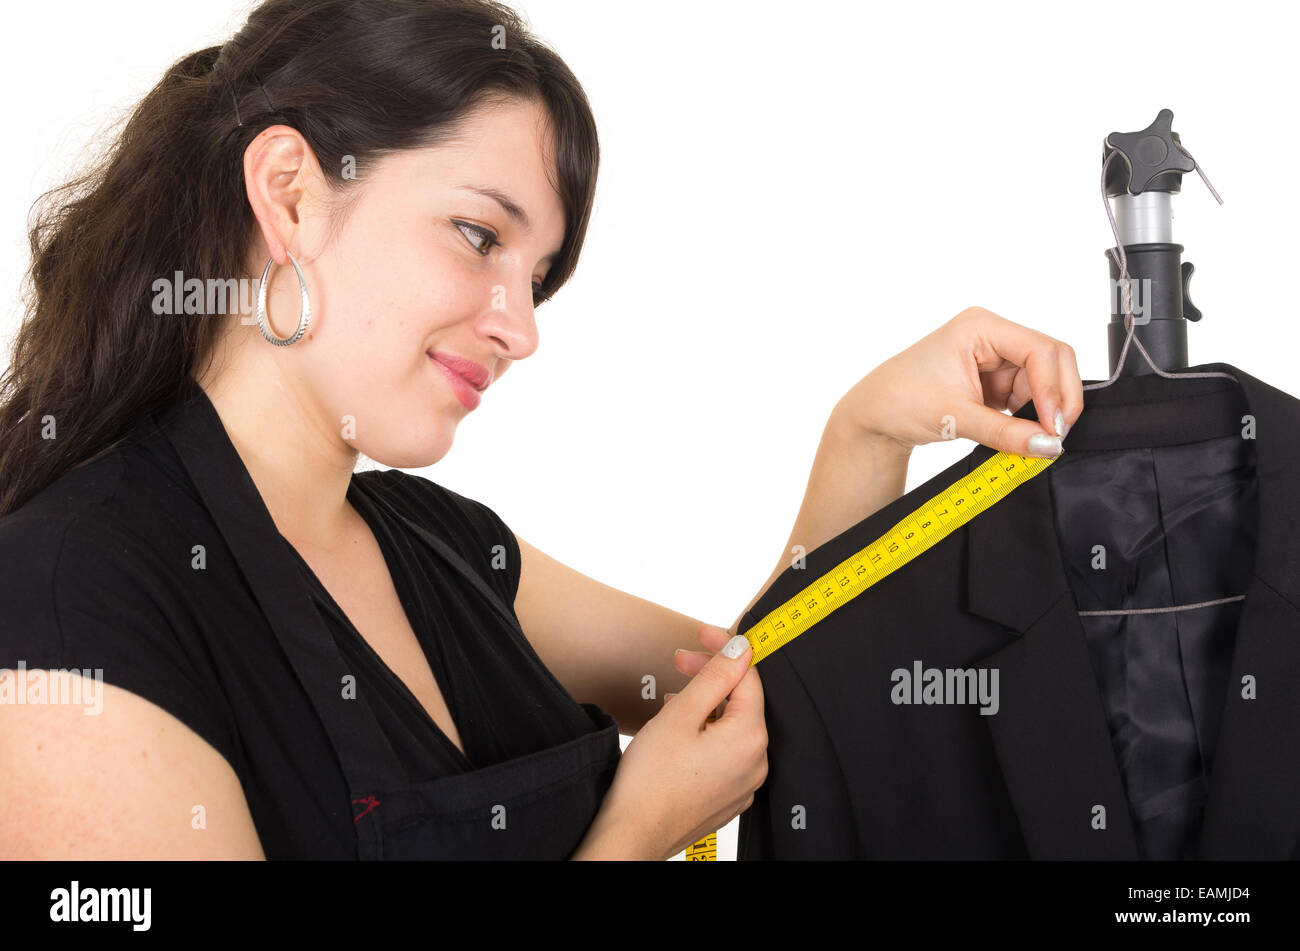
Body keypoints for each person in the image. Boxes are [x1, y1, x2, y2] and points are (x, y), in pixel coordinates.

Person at [0, 0, 1082, 860]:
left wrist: (866, 431)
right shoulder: (70, 602)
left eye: (539, 277)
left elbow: (749, 698)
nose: (519, 328)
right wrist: (630, 839)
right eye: (479, 235)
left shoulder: (440, 545)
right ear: (290, 193)